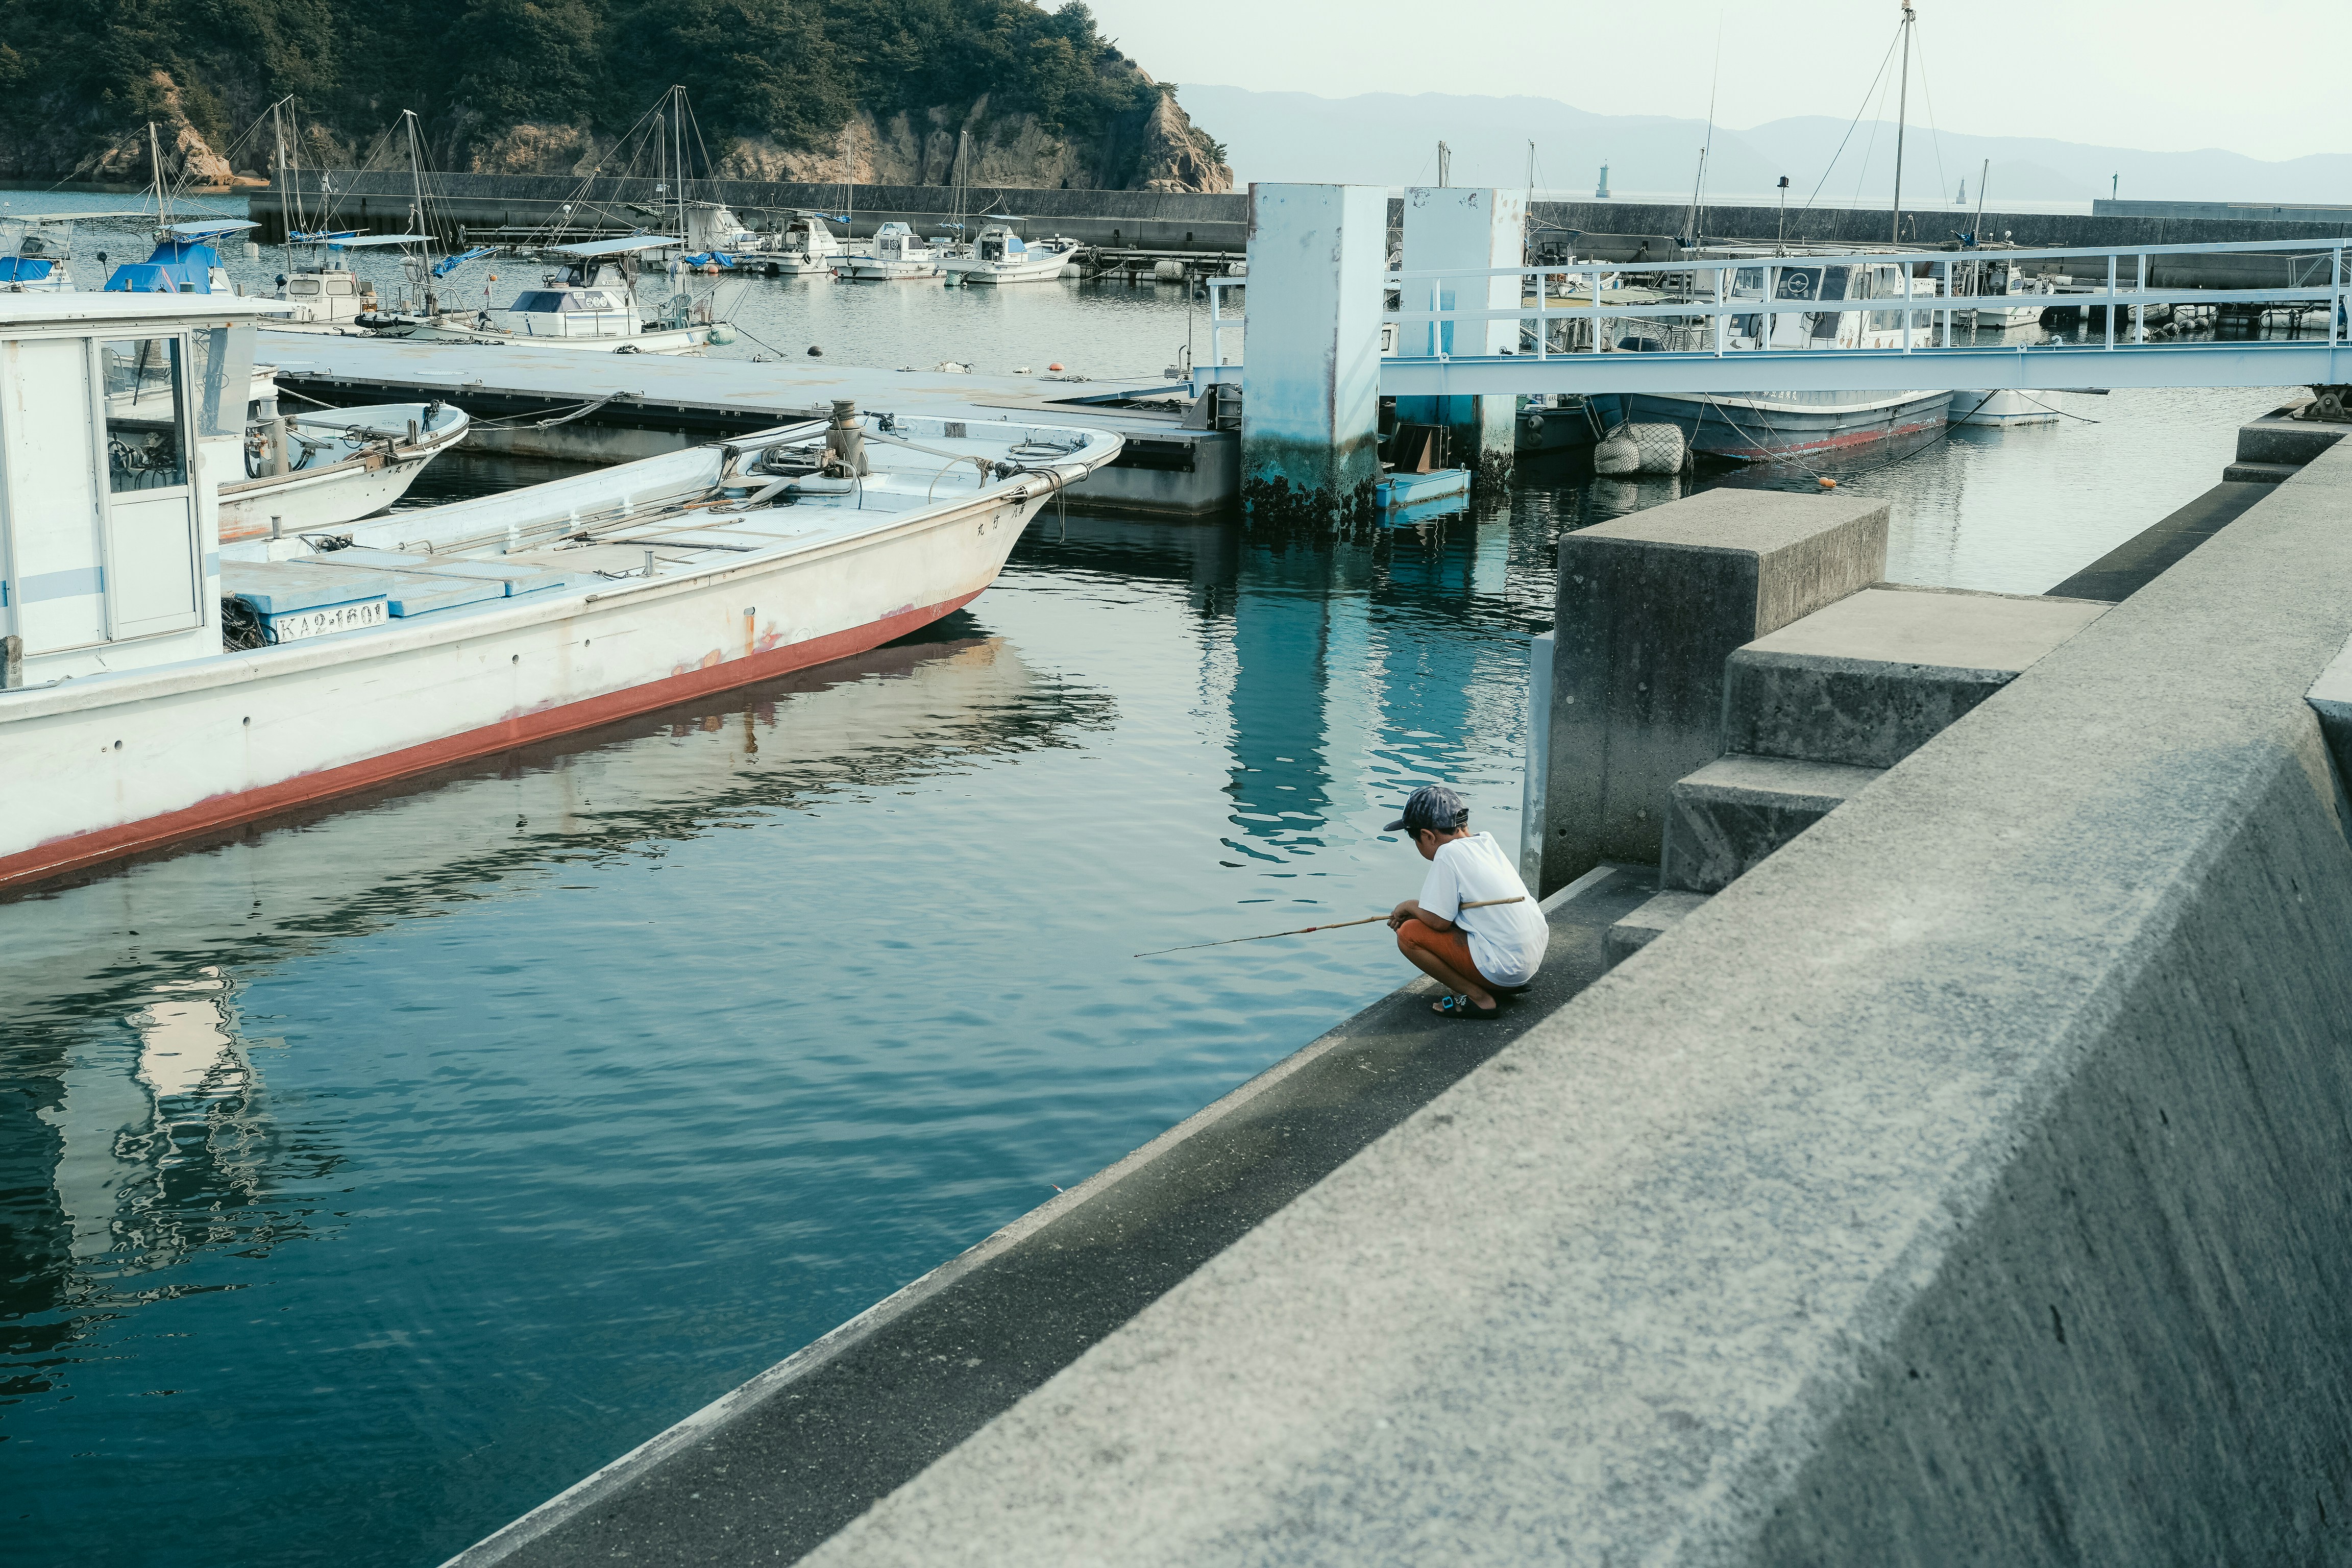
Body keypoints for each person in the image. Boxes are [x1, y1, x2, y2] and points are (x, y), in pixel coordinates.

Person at [1384, 785, 1548, 1021]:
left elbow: (1439, 922)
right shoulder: (1486, 844)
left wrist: (1409, 906)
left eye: (1415, 838)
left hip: (1506, 969)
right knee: (1427, 920)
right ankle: (1496, 986)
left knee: (1408, 933)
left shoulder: (1448, 854)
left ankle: (1479, 999)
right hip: (1528, 961)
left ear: (1427, 836)